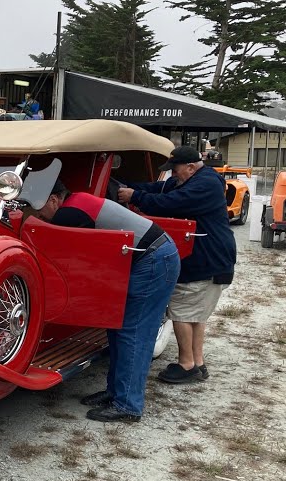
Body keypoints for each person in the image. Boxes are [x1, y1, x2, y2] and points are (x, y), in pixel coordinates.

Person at [36, 180, 180, 423]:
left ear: (53, 200)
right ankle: (116, 393)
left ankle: (128, 405)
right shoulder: (78, 200)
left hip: (152, 261)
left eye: (41, 212)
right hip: (153, 256)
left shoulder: (69, 213)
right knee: (116, 328)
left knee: (133, 333)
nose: (43, 218)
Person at [118, 146, 237, 384]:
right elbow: (159, 188)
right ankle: (198, 363)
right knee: (196, 314)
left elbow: (171, 202)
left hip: (206, 260)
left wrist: (135, 197)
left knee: (182, 310)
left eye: (175, 170)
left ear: (191, 167)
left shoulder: (203, 186)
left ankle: (186, 365)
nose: (172, 175)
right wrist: (127, 186)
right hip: (214, 259)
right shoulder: (196, 179)